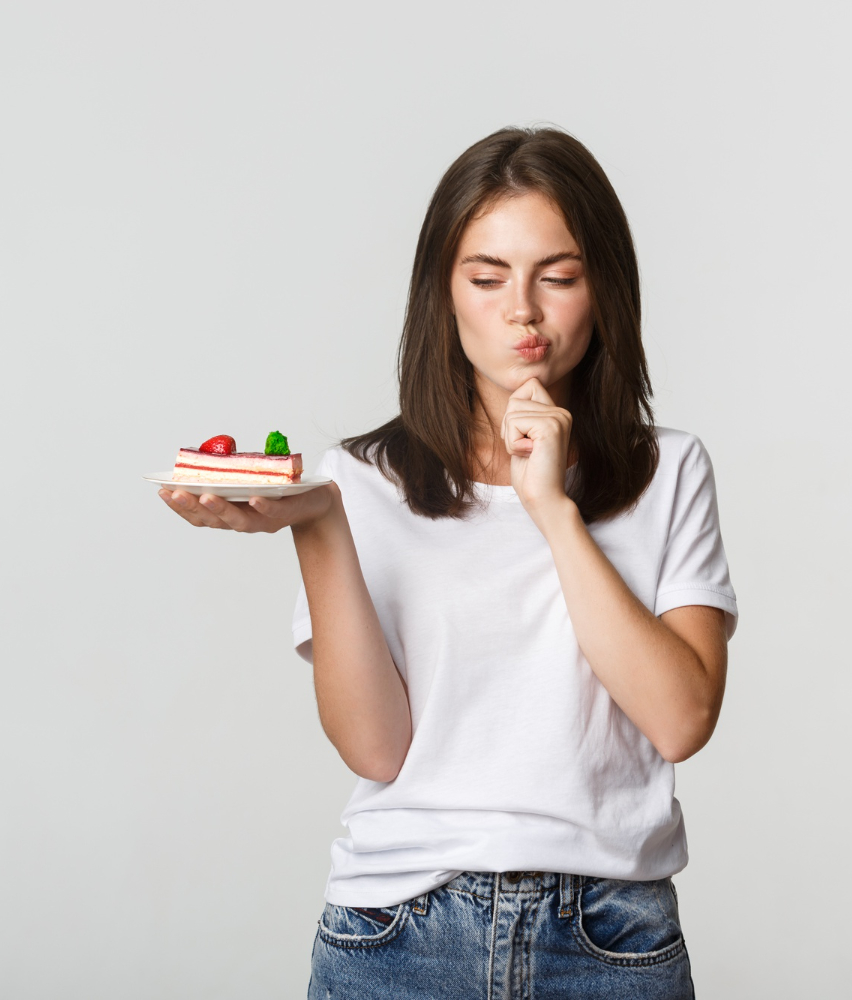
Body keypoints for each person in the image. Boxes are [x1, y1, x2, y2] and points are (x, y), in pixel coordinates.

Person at [158, 126, 737, 999]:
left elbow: (681, 718)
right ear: (443, 292)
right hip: (398, 935)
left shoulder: (671, 471)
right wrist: (318, 526)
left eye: (560, 276)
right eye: (487, 276)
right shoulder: (357, 481)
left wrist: (552, 508)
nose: (524, 312)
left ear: (605, 289)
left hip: (610, 940)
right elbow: (376, 748)